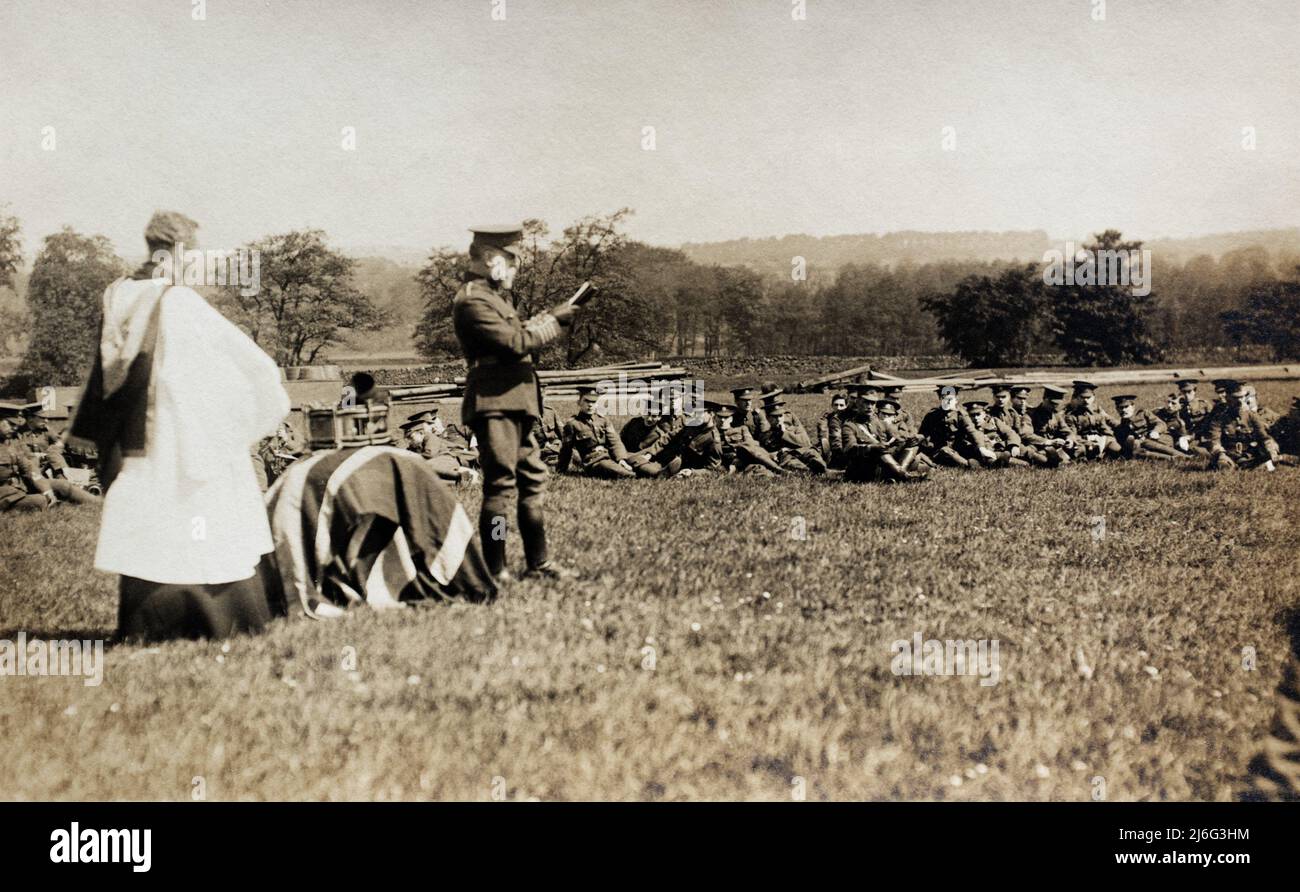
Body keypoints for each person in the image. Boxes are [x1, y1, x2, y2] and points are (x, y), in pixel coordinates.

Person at [69, 211, 290, 641]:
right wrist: (237, 417)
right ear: (180, 251)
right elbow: (247, 367)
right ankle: (221, 616)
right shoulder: (177, 302)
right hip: (183, 431)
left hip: (136, 443)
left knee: (154, 518)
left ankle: (150, 621)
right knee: (204, 512)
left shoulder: (117, 296)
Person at [267, 400, 497, 616]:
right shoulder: (408, 448)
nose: (412, 436)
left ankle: (464, 476)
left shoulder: (432, 440)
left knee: (433, 467)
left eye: (413, 432)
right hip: (433, 462)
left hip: (449, 459)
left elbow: (430, 454)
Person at [452, 224, 579, 582]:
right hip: (494, 401)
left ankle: (538, 564)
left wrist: (551, 318)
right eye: (512, 260)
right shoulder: (473, 299)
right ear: (492, 258)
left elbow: (518, 334)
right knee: (499, 488)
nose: (516, 268)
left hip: (514, 400)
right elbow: (514, 342)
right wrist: (554, 321)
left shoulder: (492, 298)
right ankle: (496, 567)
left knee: (531, 480)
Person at [556, 386, 656, 478]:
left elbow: (615, 441)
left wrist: (621, 459)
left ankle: (654, 472)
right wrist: (560, 470)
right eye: (586, 401)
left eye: (594, 402)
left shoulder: (603, 420)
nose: (590, 405)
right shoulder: (573, 424)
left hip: (610, 456)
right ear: (579, 402)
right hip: (594, 462)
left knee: (636, 461)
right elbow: (566, 450)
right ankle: (635, 476)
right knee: (622, 472)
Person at [1206, 380, 1282, 471]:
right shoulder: (1219, 418)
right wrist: (1220, 454)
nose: (1240, 401)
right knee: (1224, 466)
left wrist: (1272, 450)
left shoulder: (1251, 416)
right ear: (1228, 398)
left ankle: (1253, 466)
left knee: (1266, 462)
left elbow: (1264, 437)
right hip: (1229, 455)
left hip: (1249, 455)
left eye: (1242, 397)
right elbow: (1215, 441)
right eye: (1235, 398)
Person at [758, 393, 827, 474]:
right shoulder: (766, 435)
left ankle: (821, 467)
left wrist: (785, 433)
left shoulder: (794, 428)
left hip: (801, 451)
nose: (778, 419)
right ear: (768, 418)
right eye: (774, 417)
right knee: (790, 463)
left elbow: (806, 442)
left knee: (812, 453)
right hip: (785, 457)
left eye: (780, 416)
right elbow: (763, 453)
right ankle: (809, 472)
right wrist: (777, 453)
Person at [919, 385, 982, 469]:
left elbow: (972, 431)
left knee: (974, 449)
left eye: (950, 399)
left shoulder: (961, 415)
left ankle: (989, 461)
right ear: (940, 399)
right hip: (939, 451)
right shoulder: (932, 416)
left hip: (958, 448)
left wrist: (981, 447)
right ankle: (968, 466)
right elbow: (923, 433)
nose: (947, 402)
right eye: (944, 399)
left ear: (956, 400)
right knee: (945, 451)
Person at [1111, 395, 1186, 461]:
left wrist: (1156, 431)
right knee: (1137, 452)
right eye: (1120, 408)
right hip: (1145, 446)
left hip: (1161, 440)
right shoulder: (1122, 425)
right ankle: (1173, 459)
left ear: (1133, 406)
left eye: (1126, 407)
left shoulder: (1143, 413)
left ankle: (1184, 456)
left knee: (1145, 443)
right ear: (1117, 409)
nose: (1123, 410)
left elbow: (1161, 423)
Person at [1064, 380, 1122, 460]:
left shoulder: (1095, 408)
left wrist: (1121, 427)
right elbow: (1071, 433)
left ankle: (1104, 456)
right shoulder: (1069, 412)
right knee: (1080, 451)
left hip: (1099, 438)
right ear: (1076, 397)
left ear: (1093, 397)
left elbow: (1107, 420)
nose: (1086, 400)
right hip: (1082, 440)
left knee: (1117, 449)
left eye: (1088, 397)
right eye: (1082, 397)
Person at [964, 401, 1030, 468]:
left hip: (1002, 448)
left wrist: (1014, 445)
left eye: (978, 414)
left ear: (984, 414)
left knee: (1027, 451)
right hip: (985, 453)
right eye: (972, 415)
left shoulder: (994, 421)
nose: (976, 418)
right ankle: (999, 463)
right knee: (1023, 464)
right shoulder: (968, 427)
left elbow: (1010, 433)